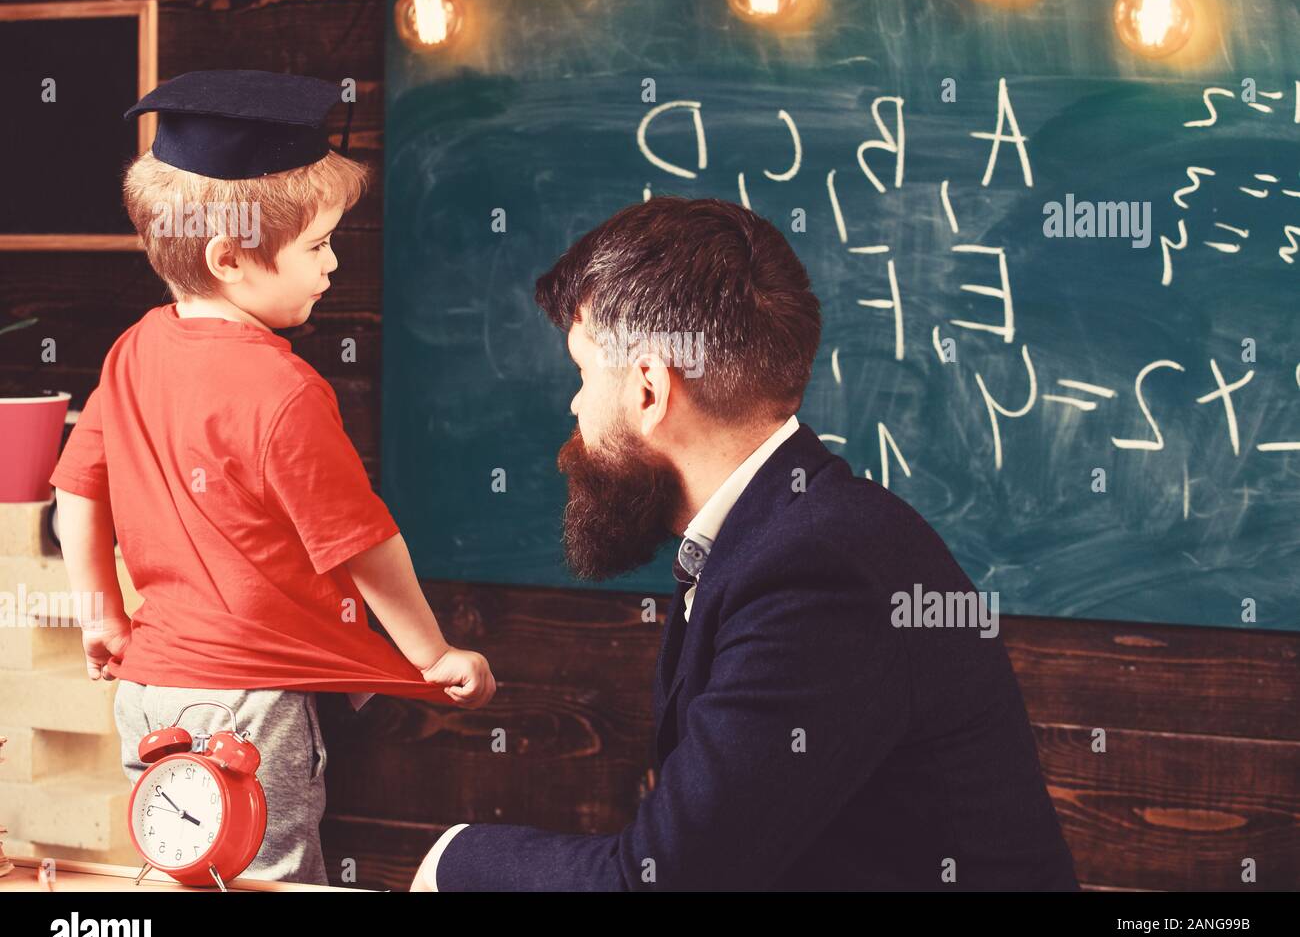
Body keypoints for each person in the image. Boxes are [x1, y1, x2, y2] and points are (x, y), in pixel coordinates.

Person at [412, 194, 1077, 891]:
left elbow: (666, 882)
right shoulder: (777, 532)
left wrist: (456, 859)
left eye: (583, 374)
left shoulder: (817, 571)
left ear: (648, 390)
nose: (575, 407)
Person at [51, 70, 496, 885]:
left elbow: (75, 494)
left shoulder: (133, 349)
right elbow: (365, 542)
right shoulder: (285, 390)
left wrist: (102, 617)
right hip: (246, 700)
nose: (333, 262)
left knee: (178, 872)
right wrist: (430, 652)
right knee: (270, 878)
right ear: (230, 258)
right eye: (319, 244)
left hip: (147, 687)